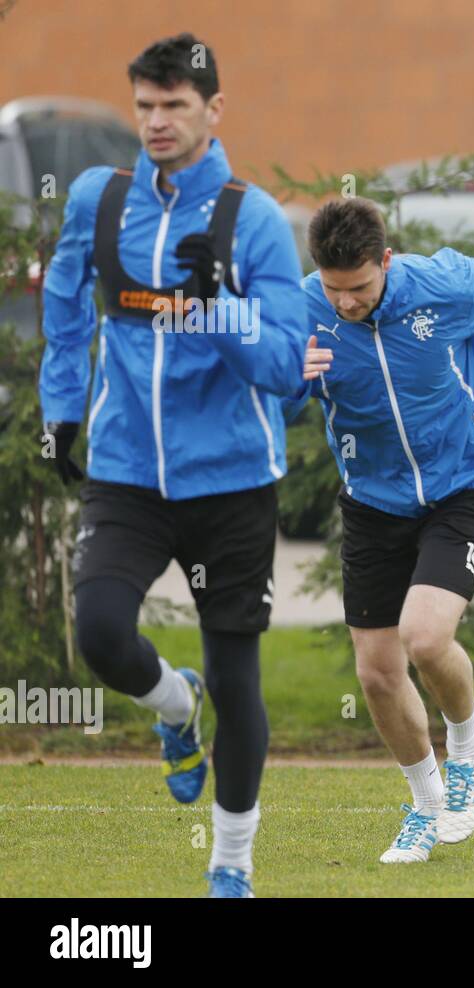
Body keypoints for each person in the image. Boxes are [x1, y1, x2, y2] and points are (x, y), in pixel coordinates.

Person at [39, 34, 309, 897]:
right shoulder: (101, 198)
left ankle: (231, 864)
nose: (157, 123)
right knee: (102, 636)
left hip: (232, 478)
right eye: (145, 107)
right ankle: (172, 705)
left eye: (175, 107)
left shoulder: (253, 219)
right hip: (127, 470)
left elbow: (285, 371)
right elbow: (65, 297)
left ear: (212, 111)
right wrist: (61, 410)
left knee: (239, 673)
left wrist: (218, 308)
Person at [288, 197, 474, 862]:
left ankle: (468, 746)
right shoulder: (302, 308)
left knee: (425, 638)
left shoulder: (444, 285)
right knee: (375, 673)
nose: (346, 303)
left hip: (468, 482)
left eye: (360, 288)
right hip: (373, 497)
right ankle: (424, 801)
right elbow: (271, 396)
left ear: (386, 262)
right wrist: (287, 379)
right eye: (334, 289)